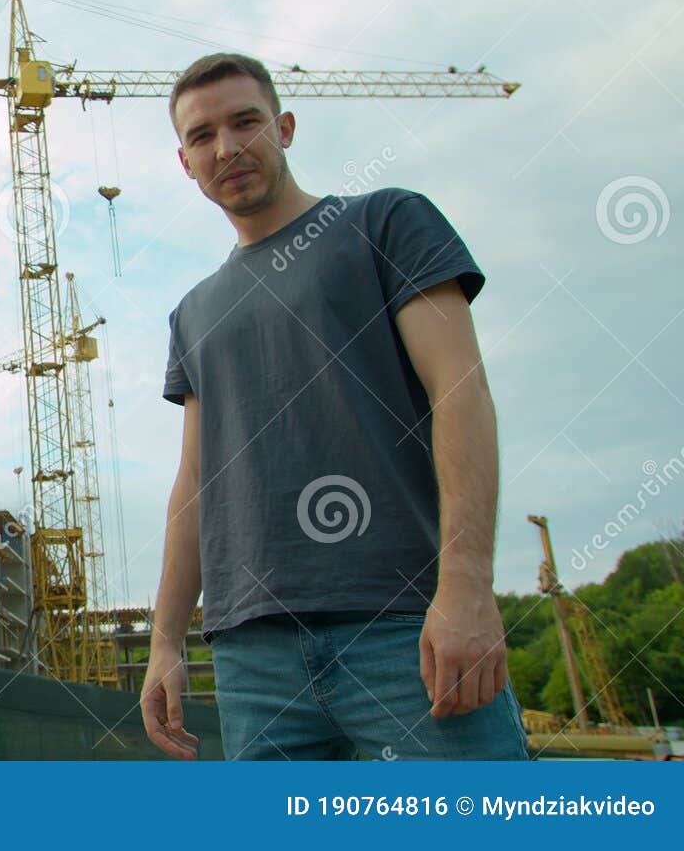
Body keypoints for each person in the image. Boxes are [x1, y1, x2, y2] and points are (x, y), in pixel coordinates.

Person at [140, 52, 529, 761]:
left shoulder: (385, 223)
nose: (226, 148)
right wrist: (167, 642)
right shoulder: (192, 314)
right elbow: (196, 483)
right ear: (184, 161)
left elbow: (460, 392)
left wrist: (467, 586)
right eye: (202, 136)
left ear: (284, 128)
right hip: (251, 659)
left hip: (402, 626)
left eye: (245, 122)